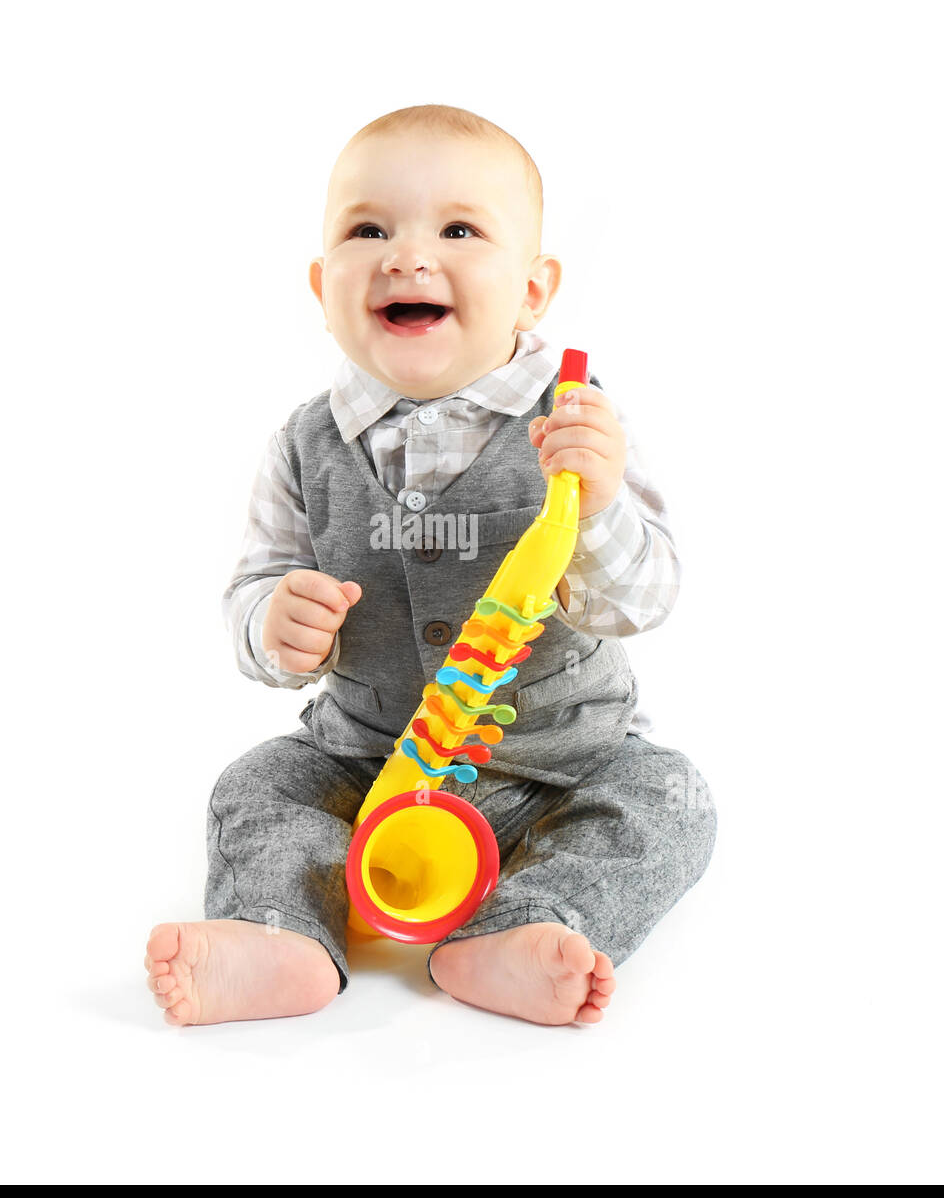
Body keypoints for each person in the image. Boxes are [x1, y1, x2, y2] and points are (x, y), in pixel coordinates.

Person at [144, 104, 716, 1027]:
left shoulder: (574, 425)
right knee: (258, 783)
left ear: (533, 292)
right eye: (368, 230)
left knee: (671, 799)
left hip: (561, 761)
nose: (408, 256)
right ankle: (282, 934)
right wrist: (273, 622)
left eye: (459, 230)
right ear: (322, 282)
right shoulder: (303, 443)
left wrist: (600, 503)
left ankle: (520, 925)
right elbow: (254, 587)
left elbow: (643, 600)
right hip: (365, 761)